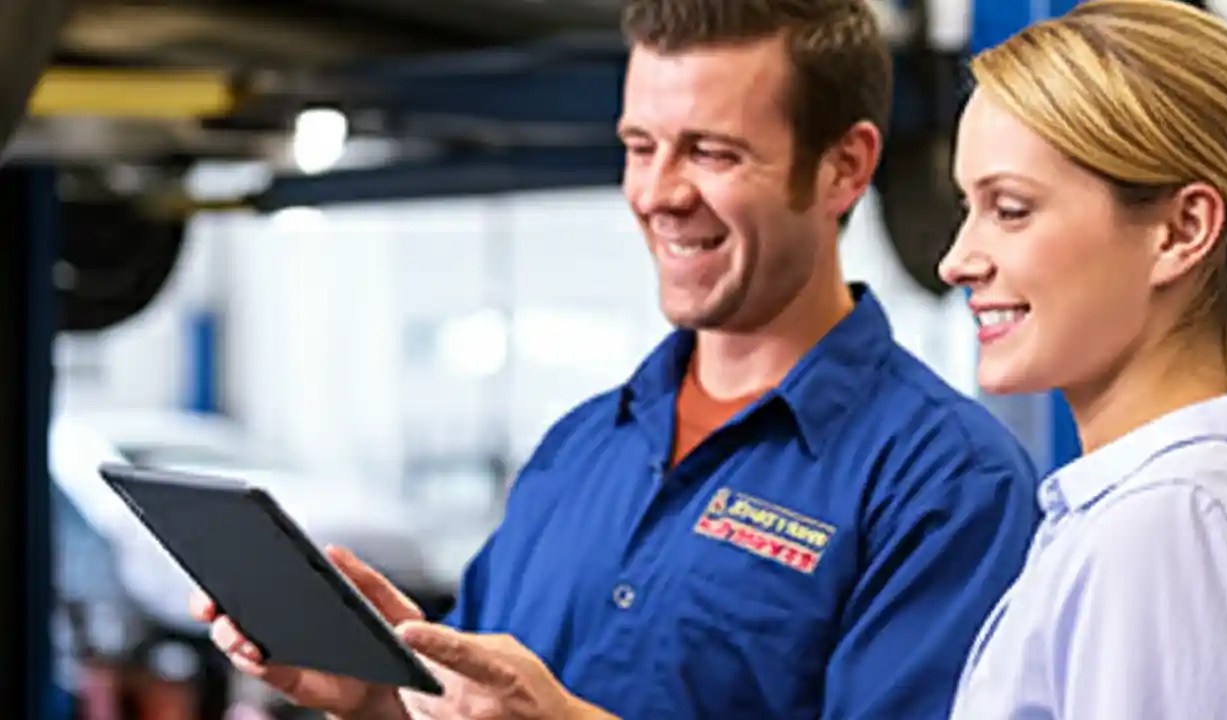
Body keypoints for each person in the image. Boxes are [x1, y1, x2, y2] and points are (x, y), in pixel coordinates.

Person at [197, 1, 1043, 718]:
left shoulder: (945, 484)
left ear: (843, 167)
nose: (659, 194)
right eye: (642, 146)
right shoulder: (582, 448)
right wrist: (385, 694)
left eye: (712, 152)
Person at [940, 1, 1227, 718]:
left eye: (1010, 209)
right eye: (967, 208)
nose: (957, 260)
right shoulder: (1179, 508)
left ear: (1180, 231)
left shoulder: (1169, 526)